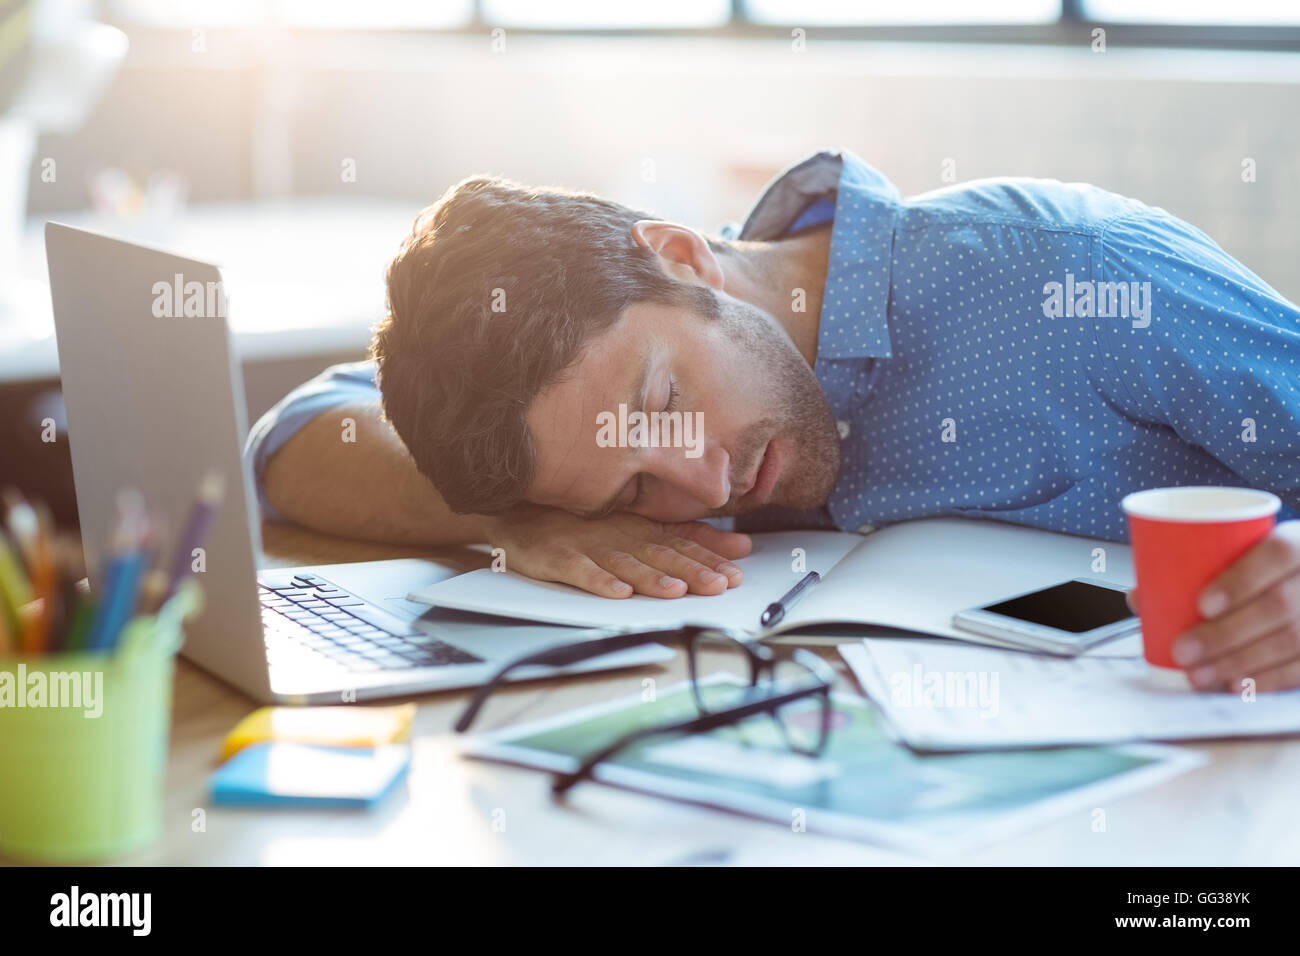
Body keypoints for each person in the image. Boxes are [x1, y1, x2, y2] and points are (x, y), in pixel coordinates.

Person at [248, 149, 1300, 692]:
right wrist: (514, 520)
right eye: (631, 491)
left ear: (682, 260)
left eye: (662, 404)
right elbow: (298, 435)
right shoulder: (571, 389)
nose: (704, 487)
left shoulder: (1076, 274)